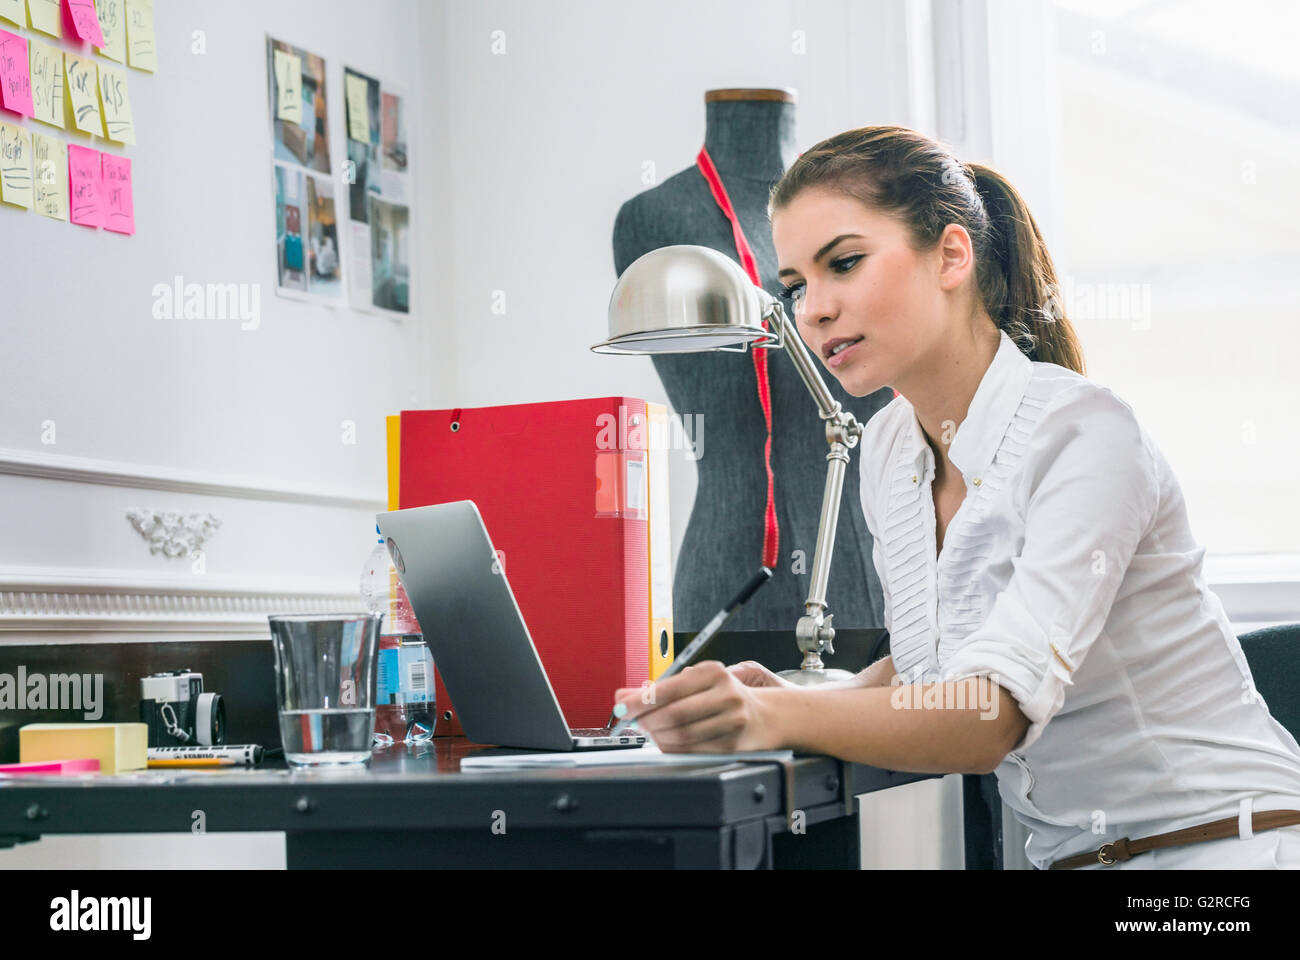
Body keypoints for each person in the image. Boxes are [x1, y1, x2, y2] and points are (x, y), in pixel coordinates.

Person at [612, 124, 1300, 870]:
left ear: (950, 254)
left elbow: (985, 718)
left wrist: (772, 713)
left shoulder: (1086, 434)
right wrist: (781, 693)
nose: (813, 310)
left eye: (844, 263)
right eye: (796, 286)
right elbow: (926, 671)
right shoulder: (890, 449)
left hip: (1226, 854)